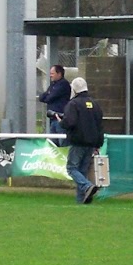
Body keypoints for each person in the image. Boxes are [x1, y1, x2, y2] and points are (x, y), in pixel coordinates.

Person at [57, 76, 105, 204]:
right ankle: (82, 199)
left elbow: (70, 122)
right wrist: (98, 143)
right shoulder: (95, 104)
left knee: (72, 168)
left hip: (78, 141)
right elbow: (100, 125)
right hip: (91, 143)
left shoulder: (73, 104)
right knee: (82, 170)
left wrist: (61, 122)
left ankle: (86, 186)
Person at [39, 64, 72, 139]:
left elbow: (49, 98)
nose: (50, 75)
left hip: (60, 119)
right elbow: (42, 97)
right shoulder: (53, 85)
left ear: (59, 74)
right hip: (52, 118)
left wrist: (48, 94)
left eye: (52, 73)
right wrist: (48, 93)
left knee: (62, 142)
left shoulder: (63, 84)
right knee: (52, 143)